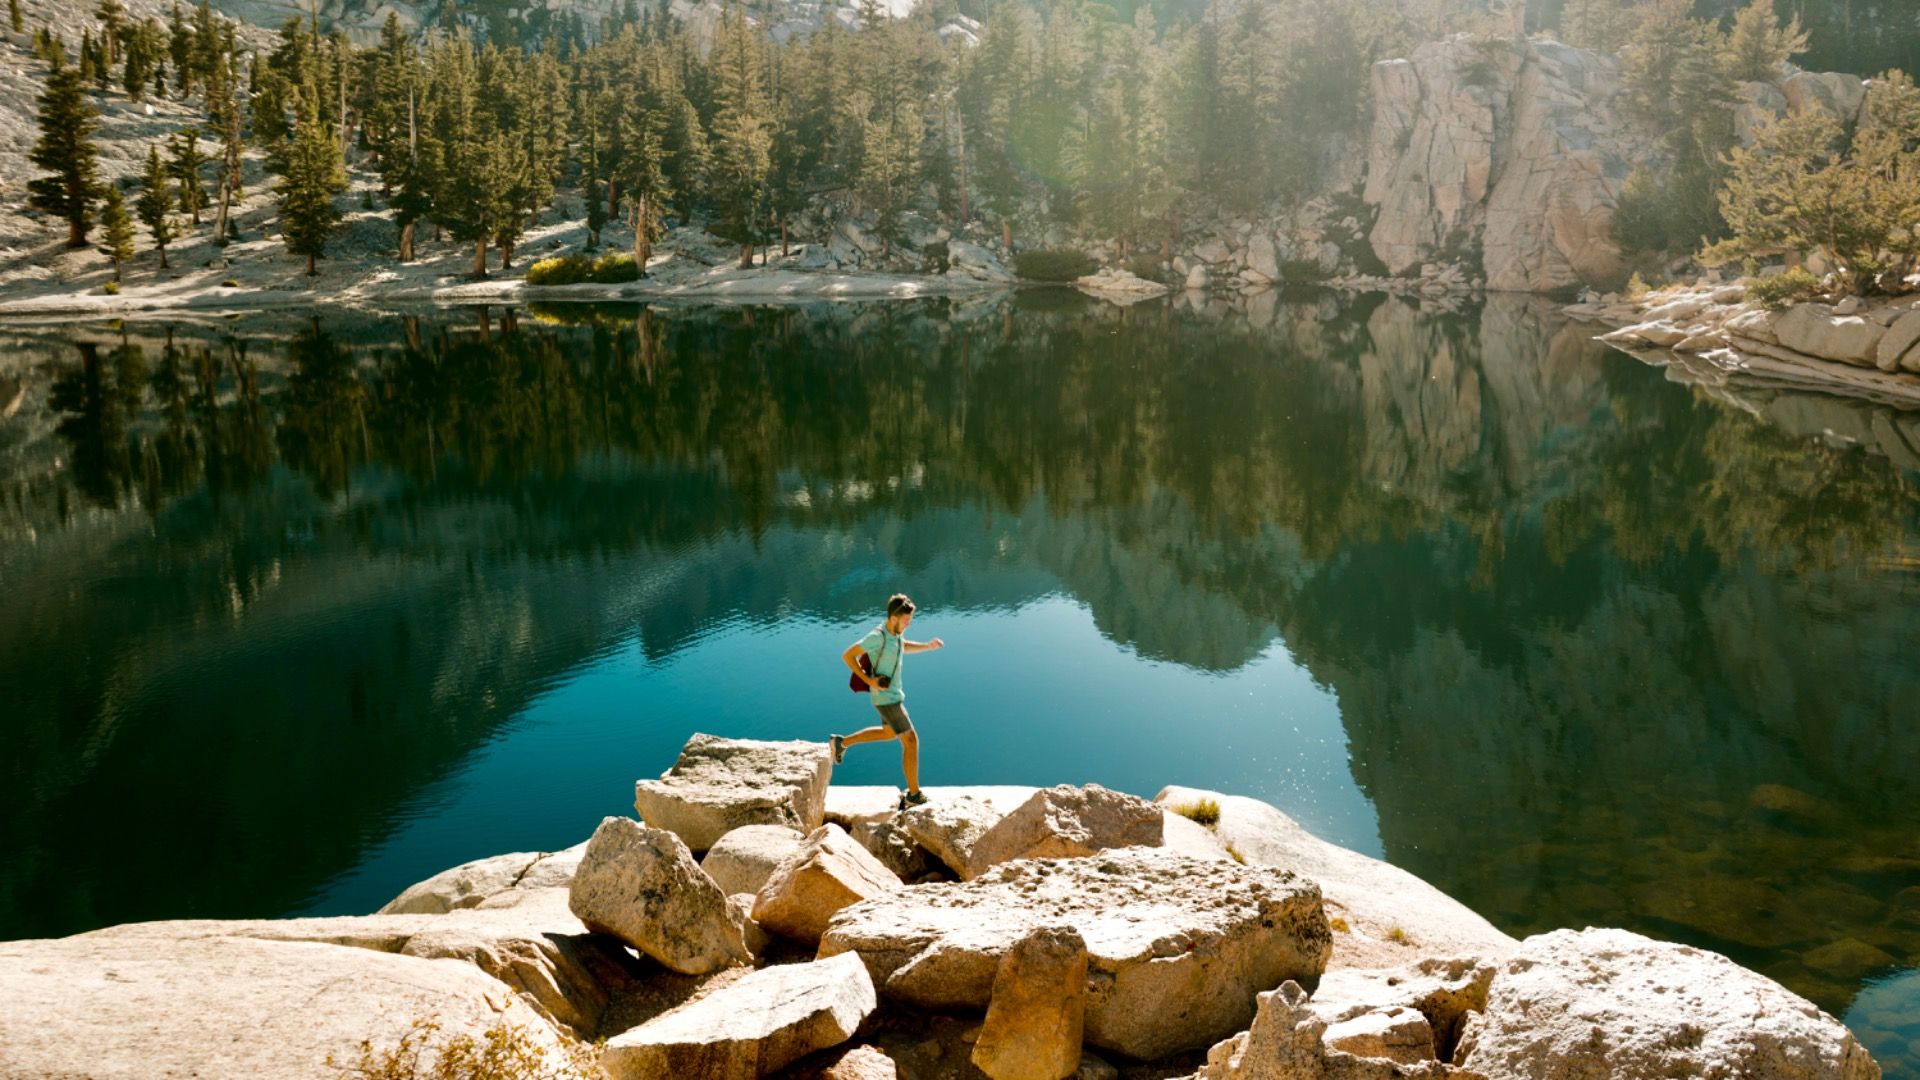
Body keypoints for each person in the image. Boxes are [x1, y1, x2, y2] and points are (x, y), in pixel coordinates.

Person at [831, 593, 945, 808]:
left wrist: (927, 646)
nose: (909, 624)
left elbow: (902, 646)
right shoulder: (877, 636)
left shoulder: (895, 635)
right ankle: (913, 795)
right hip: (886, 698)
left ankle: (841, 742)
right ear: (894, 618)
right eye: (906, 621)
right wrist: (869, 681)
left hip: (891, 696)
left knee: (889, 733)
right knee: (911, 741)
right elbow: (848, 655)